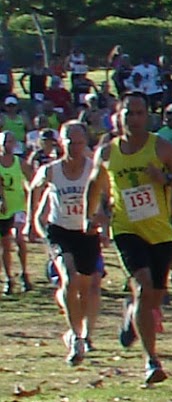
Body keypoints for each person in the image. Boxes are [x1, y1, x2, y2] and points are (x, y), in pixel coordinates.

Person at [87, 92, 172, 386]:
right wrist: (92, 216)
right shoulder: (108, 152)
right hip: (126, 229)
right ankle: (152, 360)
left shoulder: (160, 148)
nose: (134, 119)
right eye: (129, 113)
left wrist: (167, 180)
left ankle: (131, 311)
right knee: (143, 284)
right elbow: (95, 184)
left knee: (152, 299)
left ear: (147, 116)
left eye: (139, 113)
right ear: (118, 117)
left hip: (160, 232)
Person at [28, 120, 99, 364]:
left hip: (86, 232)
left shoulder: (93, 169)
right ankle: (77, 338)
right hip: (60, 231)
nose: (76, 147)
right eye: (71, 142)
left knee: (86, 288)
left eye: (80, 142)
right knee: (69, 278)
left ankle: (79, 331)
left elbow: (108, 196)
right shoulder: (52, 170)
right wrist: (31, 221)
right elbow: (35, 189)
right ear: (62, 142)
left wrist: (103, 219)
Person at [0, 132, 36, 294]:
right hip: (2, 210)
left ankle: (24, 273)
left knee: (19, 238)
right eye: (5, 142)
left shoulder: (19, 163)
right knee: (5, 245)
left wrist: (31, 198)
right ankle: (9, 278)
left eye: (11, 142)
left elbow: (32, 182)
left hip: (18, 206)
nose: (8, 145)